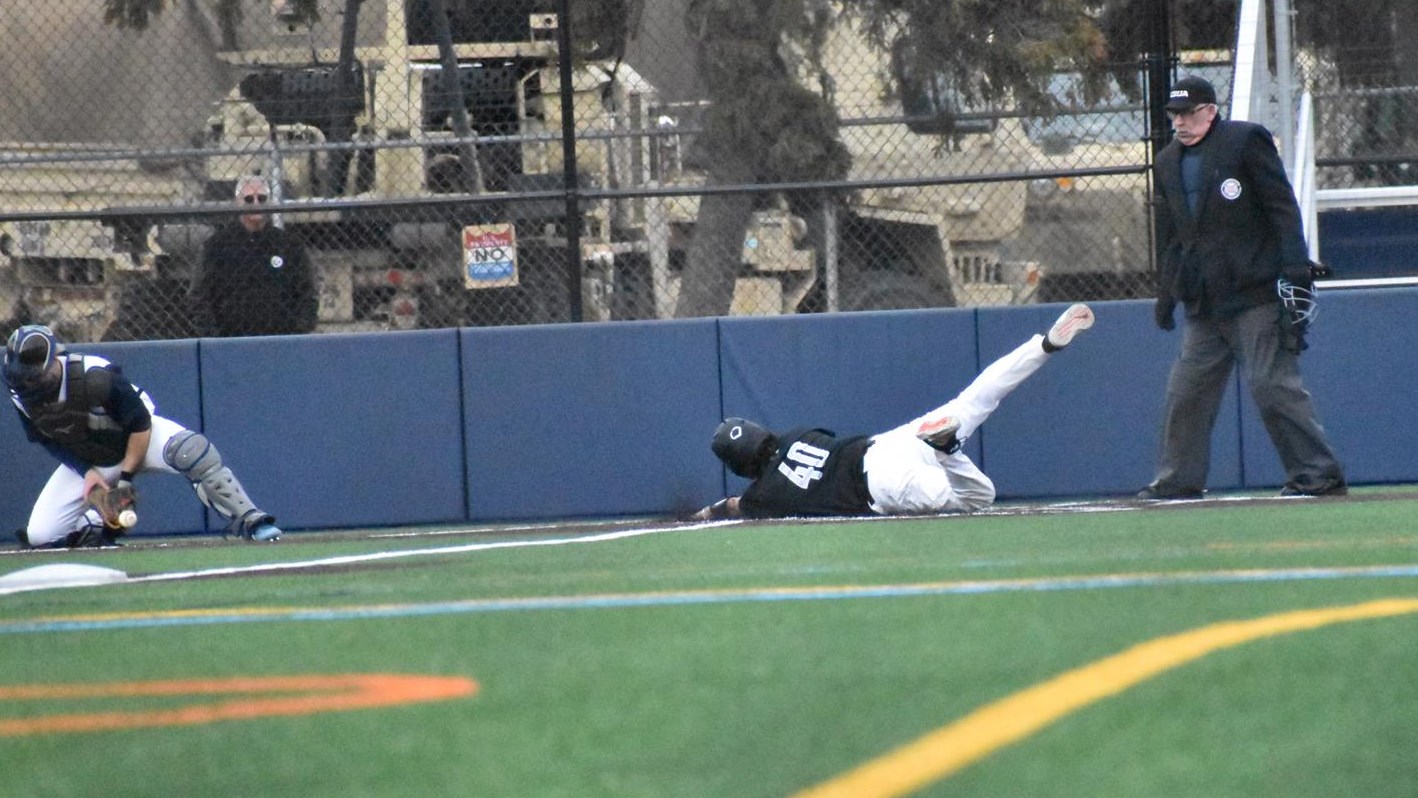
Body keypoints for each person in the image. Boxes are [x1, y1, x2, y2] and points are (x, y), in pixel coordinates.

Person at [1139, 75, 1346, 500]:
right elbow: (1176, 235)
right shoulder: (1165, 162)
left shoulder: (1244, 141)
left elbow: (1280, 205)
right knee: (1186, 392)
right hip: (1204, 300)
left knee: (1272, 386)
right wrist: (1168, 292)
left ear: (1210, 111)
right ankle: (1179, 479)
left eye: (1188, 113)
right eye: (1174, 114)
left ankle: (1318, 474)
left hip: (1255, 292)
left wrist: (1295, 267)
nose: (1180, 122)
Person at [692, 303, 1095, 520]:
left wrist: (704, 513)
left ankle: (948, 449)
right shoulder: (797, 434)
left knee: (963, 500)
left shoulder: (764, 496)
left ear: (739, 466)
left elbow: (734, 507)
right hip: (890, 444)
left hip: (882, 485)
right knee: (976, 405)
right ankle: (1043, 345)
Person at [3, 324, 283, 547]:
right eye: (24, 378)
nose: (30, 383)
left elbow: (140, 424)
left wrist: (125, 479)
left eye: (33, 376)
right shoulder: (23, 397)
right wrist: (87, 472)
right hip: (91, 456)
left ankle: (250, 519)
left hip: (137, 438)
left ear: (54, 360)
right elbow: (48, 439)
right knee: (41, 535)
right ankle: (101, 524)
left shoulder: (95, 375)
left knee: (191, 450)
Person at [189, 175, 319, 337]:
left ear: (270, 201)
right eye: (249, 199)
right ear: (237, 202)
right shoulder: (216, 247)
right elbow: (199, 296)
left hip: (281, 342)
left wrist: (298, 333)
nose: (256, 204)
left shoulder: (289, 246)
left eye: (262, 198)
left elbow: (308, 294)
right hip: (231, 343)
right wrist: (214, 338)